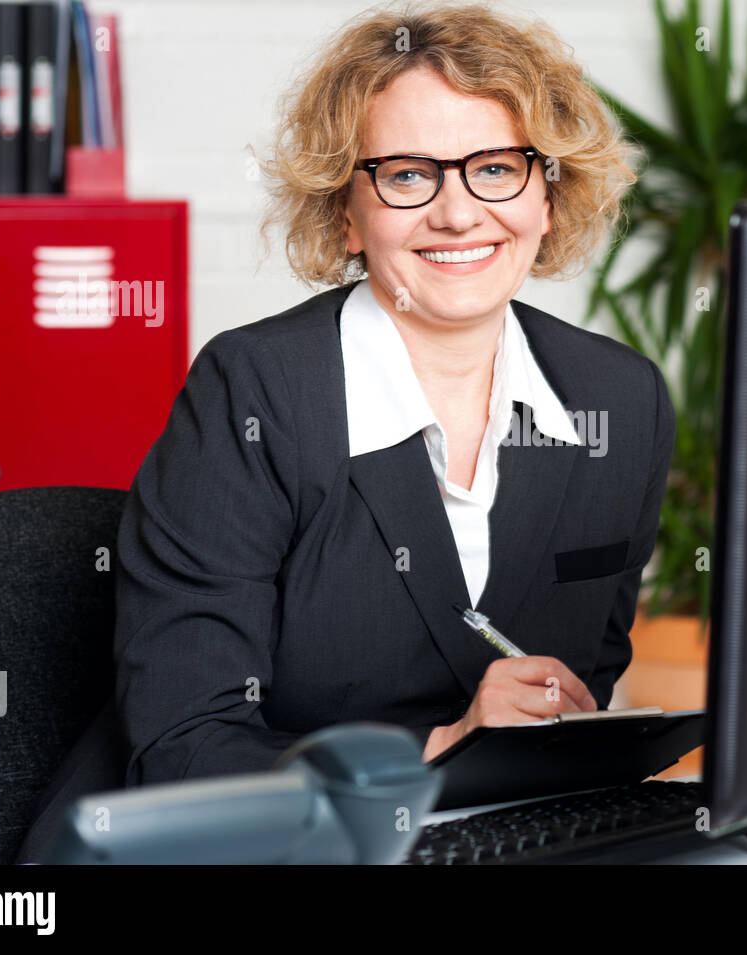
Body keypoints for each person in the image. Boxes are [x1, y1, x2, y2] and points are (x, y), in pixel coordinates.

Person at [73, 1, 675, 815]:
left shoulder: (620, 400)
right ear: (344, 215)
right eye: (407, 175)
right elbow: (183, 747)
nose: (458, 212)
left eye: (496, 168)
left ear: (550, 198)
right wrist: (445, 751)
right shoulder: (255, 393)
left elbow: (580, 693)